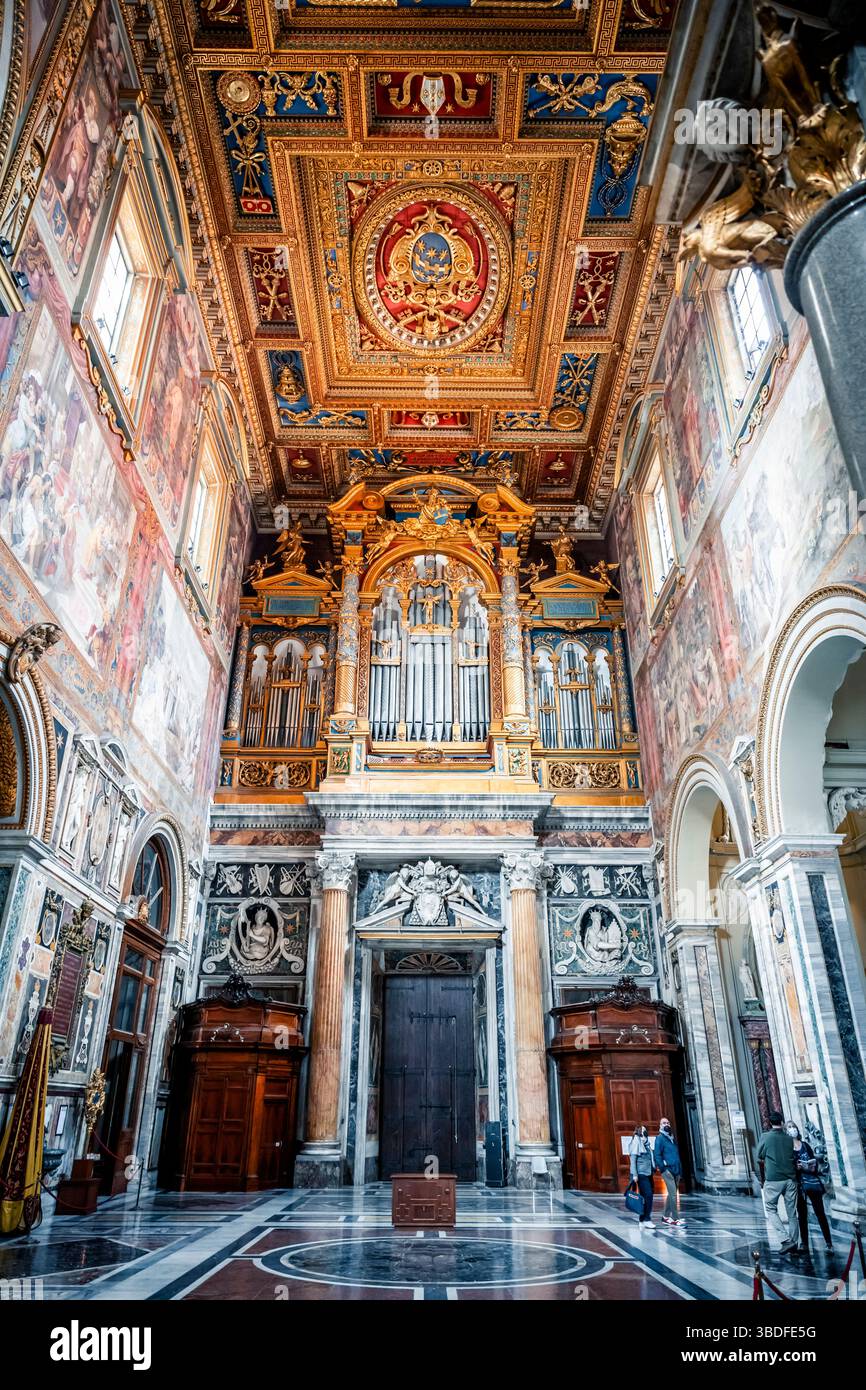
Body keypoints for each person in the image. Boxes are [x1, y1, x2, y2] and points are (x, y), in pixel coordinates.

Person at [756, 1111, 799, 1255]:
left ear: (770, 1123)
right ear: (782, 1122)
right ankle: (794, 1243)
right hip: (790, 1179)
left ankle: (786, 1240)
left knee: (771, 1209)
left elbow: (759, 1155)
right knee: (792, 1213)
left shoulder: (765, 1137)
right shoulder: (788, 1138)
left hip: (774, 1179)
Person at [787, 1123, 833, 1254]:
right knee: (802, 1214)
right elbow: (789, 1166)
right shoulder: (788, 1149)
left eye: (794, 1126)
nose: (792, 1129)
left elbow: (814, 1161)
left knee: (820, 1213)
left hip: (812, 1182)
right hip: (800, 1184)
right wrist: (797, 1167)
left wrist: (811, 1165)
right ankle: (805, 1244)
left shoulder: (805, 1145)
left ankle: (829, 1243)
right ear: (786, 1131)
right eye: (789, 1127)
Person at [655, 1118, 685, 1227]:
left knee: (671, 1194)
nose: (666, 1124)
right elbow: (657, 1155)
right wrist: (663, 1168)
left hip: (676, 1169)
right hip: (667, 1171)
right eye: (664, 1123)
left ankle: (665, 1216)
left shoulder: (671, 1137)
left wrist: (679, 1169)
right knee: (673, 1194)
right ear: (660, 1125)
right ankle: (675, 1219)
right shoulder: (660, 1138)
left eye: (668, 1123)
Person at [628, 1124, 656, 1229]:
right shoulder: (636, 1143)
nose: (644, 1133)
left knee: (646, 1196)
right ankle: (647, 1219)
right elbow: (633, 1161)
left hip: (648, 1173)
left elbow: (650, 1158)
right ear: (638, 1132)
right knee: (648, 1195)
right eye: (642, 1131)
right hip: (641, 1173)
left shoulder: (646, 1144)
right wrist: (634, 1175)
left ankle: (642, 1219)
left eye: (645, 1131)